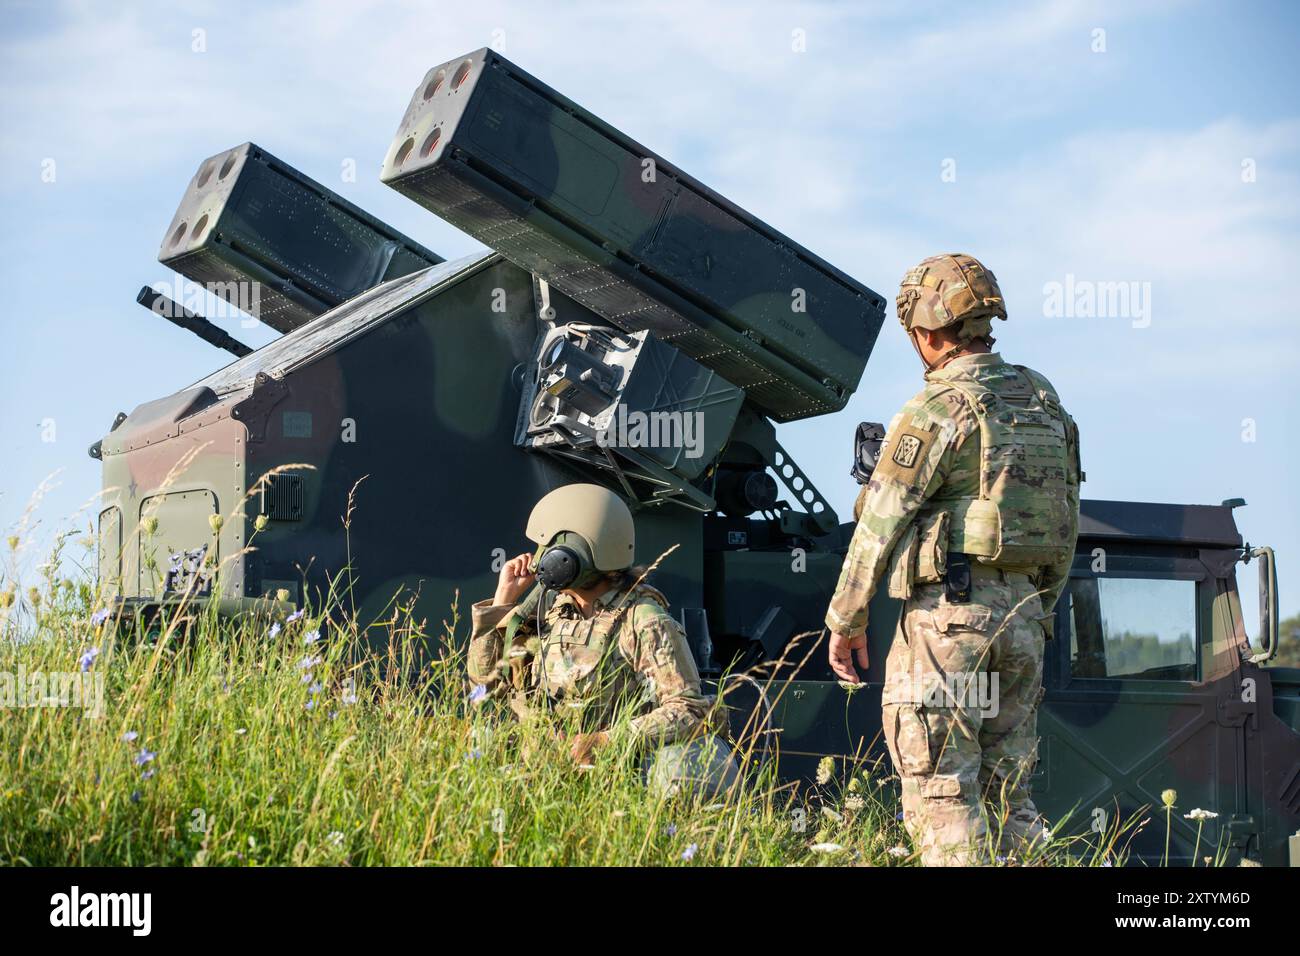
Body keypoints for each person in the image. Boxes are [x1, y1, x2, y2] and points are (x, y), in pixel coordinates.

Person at [825, 253, 1081, 865]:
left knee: (942, 795)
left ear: (929, 330)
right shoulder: (1044, 402)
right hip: (1022, 621)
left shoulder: (938, 408)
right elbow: (1066, 518)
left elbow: (879, 525)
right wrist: (1037, 608)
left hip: (949, 626)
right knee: (1008, 801)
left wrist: (846, 620)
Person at [467, 482, 736, 794]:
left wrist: (607, 742)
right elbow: (484, 685)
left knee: (681, 761)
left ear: (570, 552)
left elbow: (688, 708)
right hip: (544, 781)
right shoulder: (548, 611)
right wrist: (503, 600)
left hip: (617, 783)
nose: (538, 557)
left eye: (546, 547)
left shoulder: (642, 619)